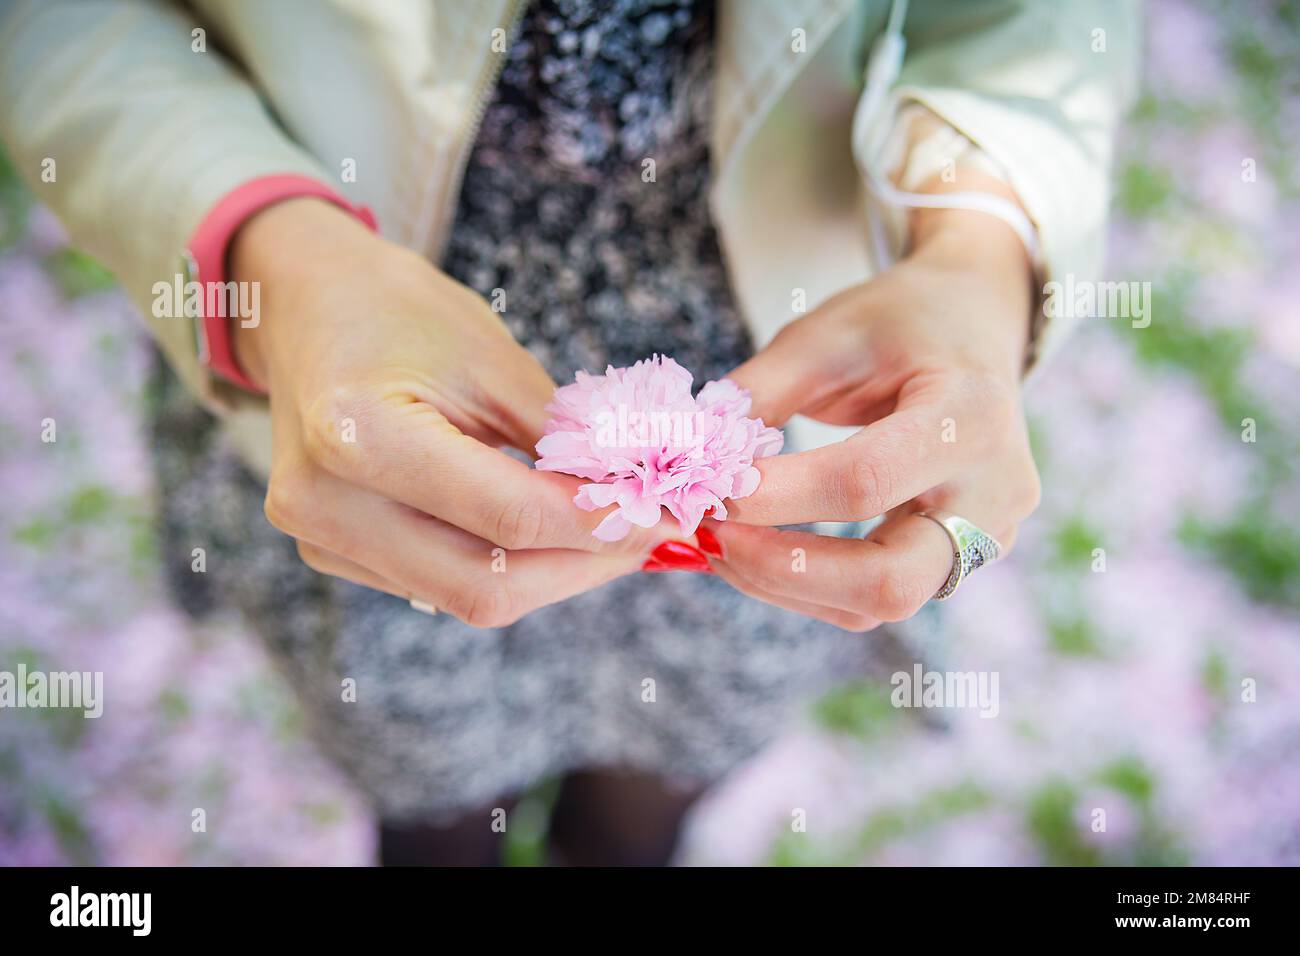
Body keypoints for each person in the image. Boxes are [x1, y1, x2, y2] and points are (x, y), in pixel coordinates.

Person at [0, 0, 1137, 865]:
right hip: (360, 362)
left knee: (653, 799)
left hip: (781, 383)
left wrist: (979, 245)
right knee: (427, 805)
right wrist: (275, 260)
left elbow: (1028, 27)